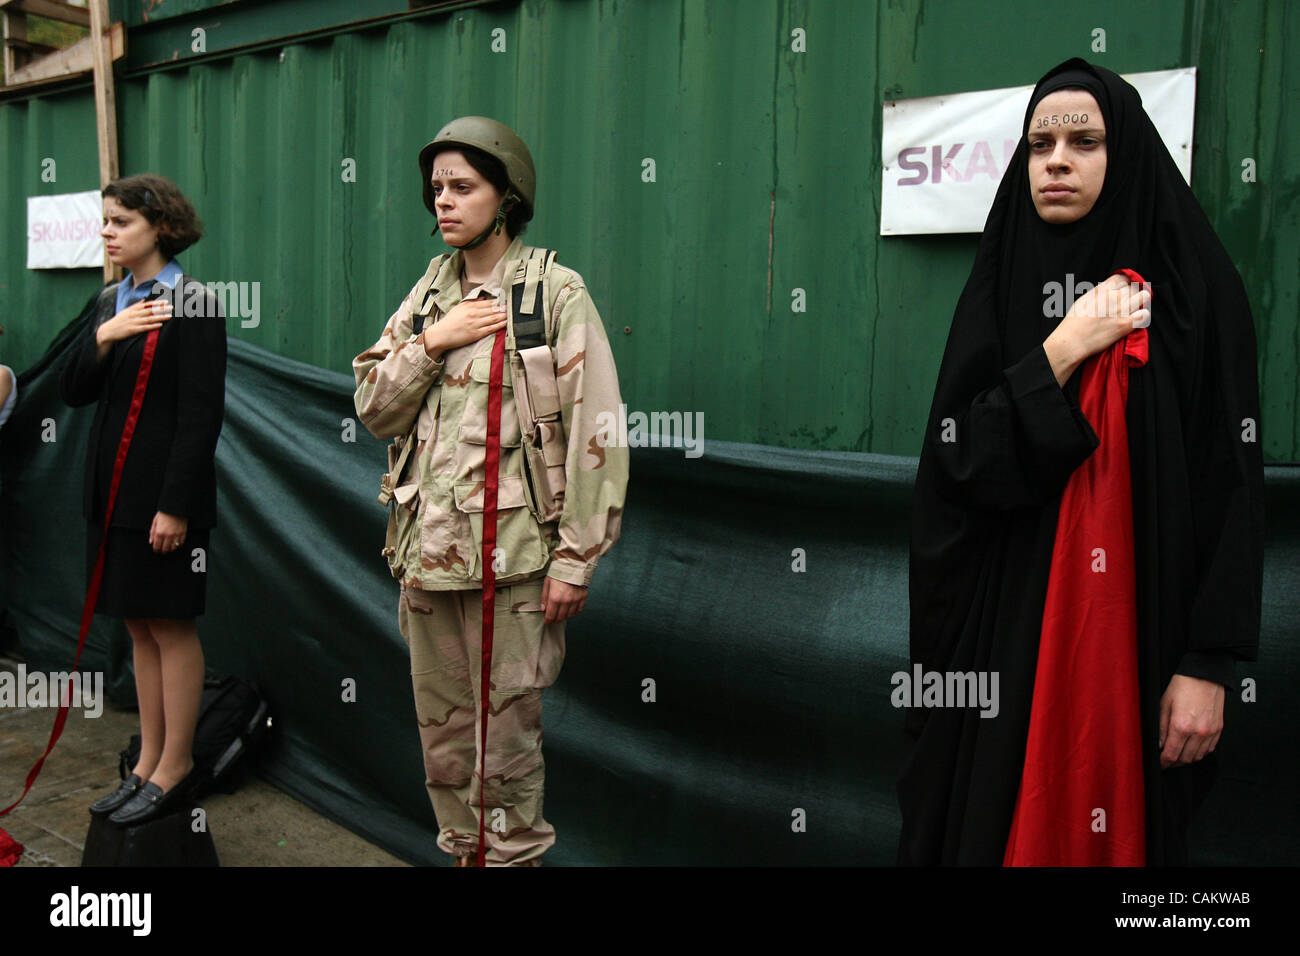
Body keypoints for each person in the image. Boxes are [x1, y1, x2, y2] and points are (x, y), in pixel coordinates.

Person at [898, 59, 1264, 865]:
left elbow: (1229, 485)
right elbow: (959, 466)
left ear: (1125, 153)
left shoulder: (1196, 294)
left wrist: (1208, 664)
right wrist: (1060, 353)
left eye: (1084, 141)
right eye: (1039, 144)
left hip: (1141, 645)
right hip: (1004, 652)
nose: (1056, 159)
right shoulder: (999, 288)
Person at [354, 117, 628, 866]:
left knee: (505, 756)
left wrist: (576, 558)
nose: (443, 201)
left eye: (462, 187)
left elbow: (597, 429)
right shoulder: (429, 296)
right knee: (444, 750)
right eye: (436, 188)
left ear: (506, 196)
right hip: (427, 562)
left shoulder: (551, 292)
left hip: (512, 567)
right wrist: (432, 343)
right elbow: (375, 408)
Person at [60, 174, 227, 826]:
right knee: (136, 625)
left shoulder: (196, 303)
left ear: (160, 227)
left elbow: (200, 415)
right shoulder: (110, 302)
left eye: (119, 222)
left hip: (163, 503)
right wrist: (107, 334)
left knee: (171, 626)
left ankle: (175, 765)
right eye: (103, 221)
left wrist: (175, 506)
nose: (107, 232)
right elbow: (74, 391)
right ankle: (146, 763)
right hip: (112, 498)